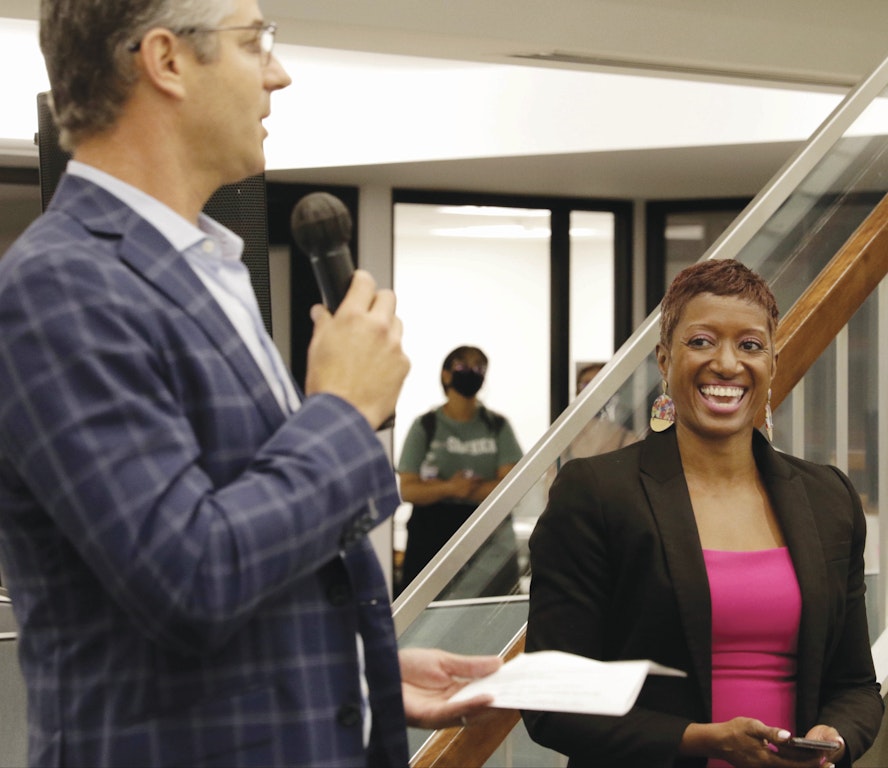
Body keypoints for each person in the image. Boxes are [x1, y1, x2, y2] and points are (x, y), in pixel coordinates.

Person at [0, 2, 501, 766]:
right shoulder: (61, 288)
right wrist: (340, 410)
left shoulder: (209, 270)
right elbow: (190, 574)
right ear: (166, 61)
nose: (279, 73)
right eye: (254, 43)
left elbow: (249, 546)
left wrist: (352, 673)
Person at [523, 259, 883, 768]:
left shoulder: (828, 498)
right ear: (664, 360)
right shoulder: (597, 493)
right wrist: (698, 739)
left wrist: (836, 736)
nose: (728, 364)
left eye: (750, 345)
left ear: (773, 364)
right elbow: (551, 701)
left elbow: (855, 687)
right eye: (702, 341)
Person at [396, 346, 523, 596]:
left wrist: (449, 490)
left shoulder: (497, 425)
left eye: (478, 367)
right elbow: (409, 489)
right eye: (463, 366)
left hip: (489, 539)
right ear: (446, 374)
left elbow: (512, 487)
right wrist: (452, 488)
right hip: (432, 538)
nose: (471, 372)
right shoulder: (426, 425)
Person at [566, 361, 636, 459]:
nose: (592, 391)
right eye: (586, 385)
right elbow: (552, 472)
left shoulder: (626, 438)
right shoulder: (566, 437)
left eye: (599, 385)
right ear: (578, 391)